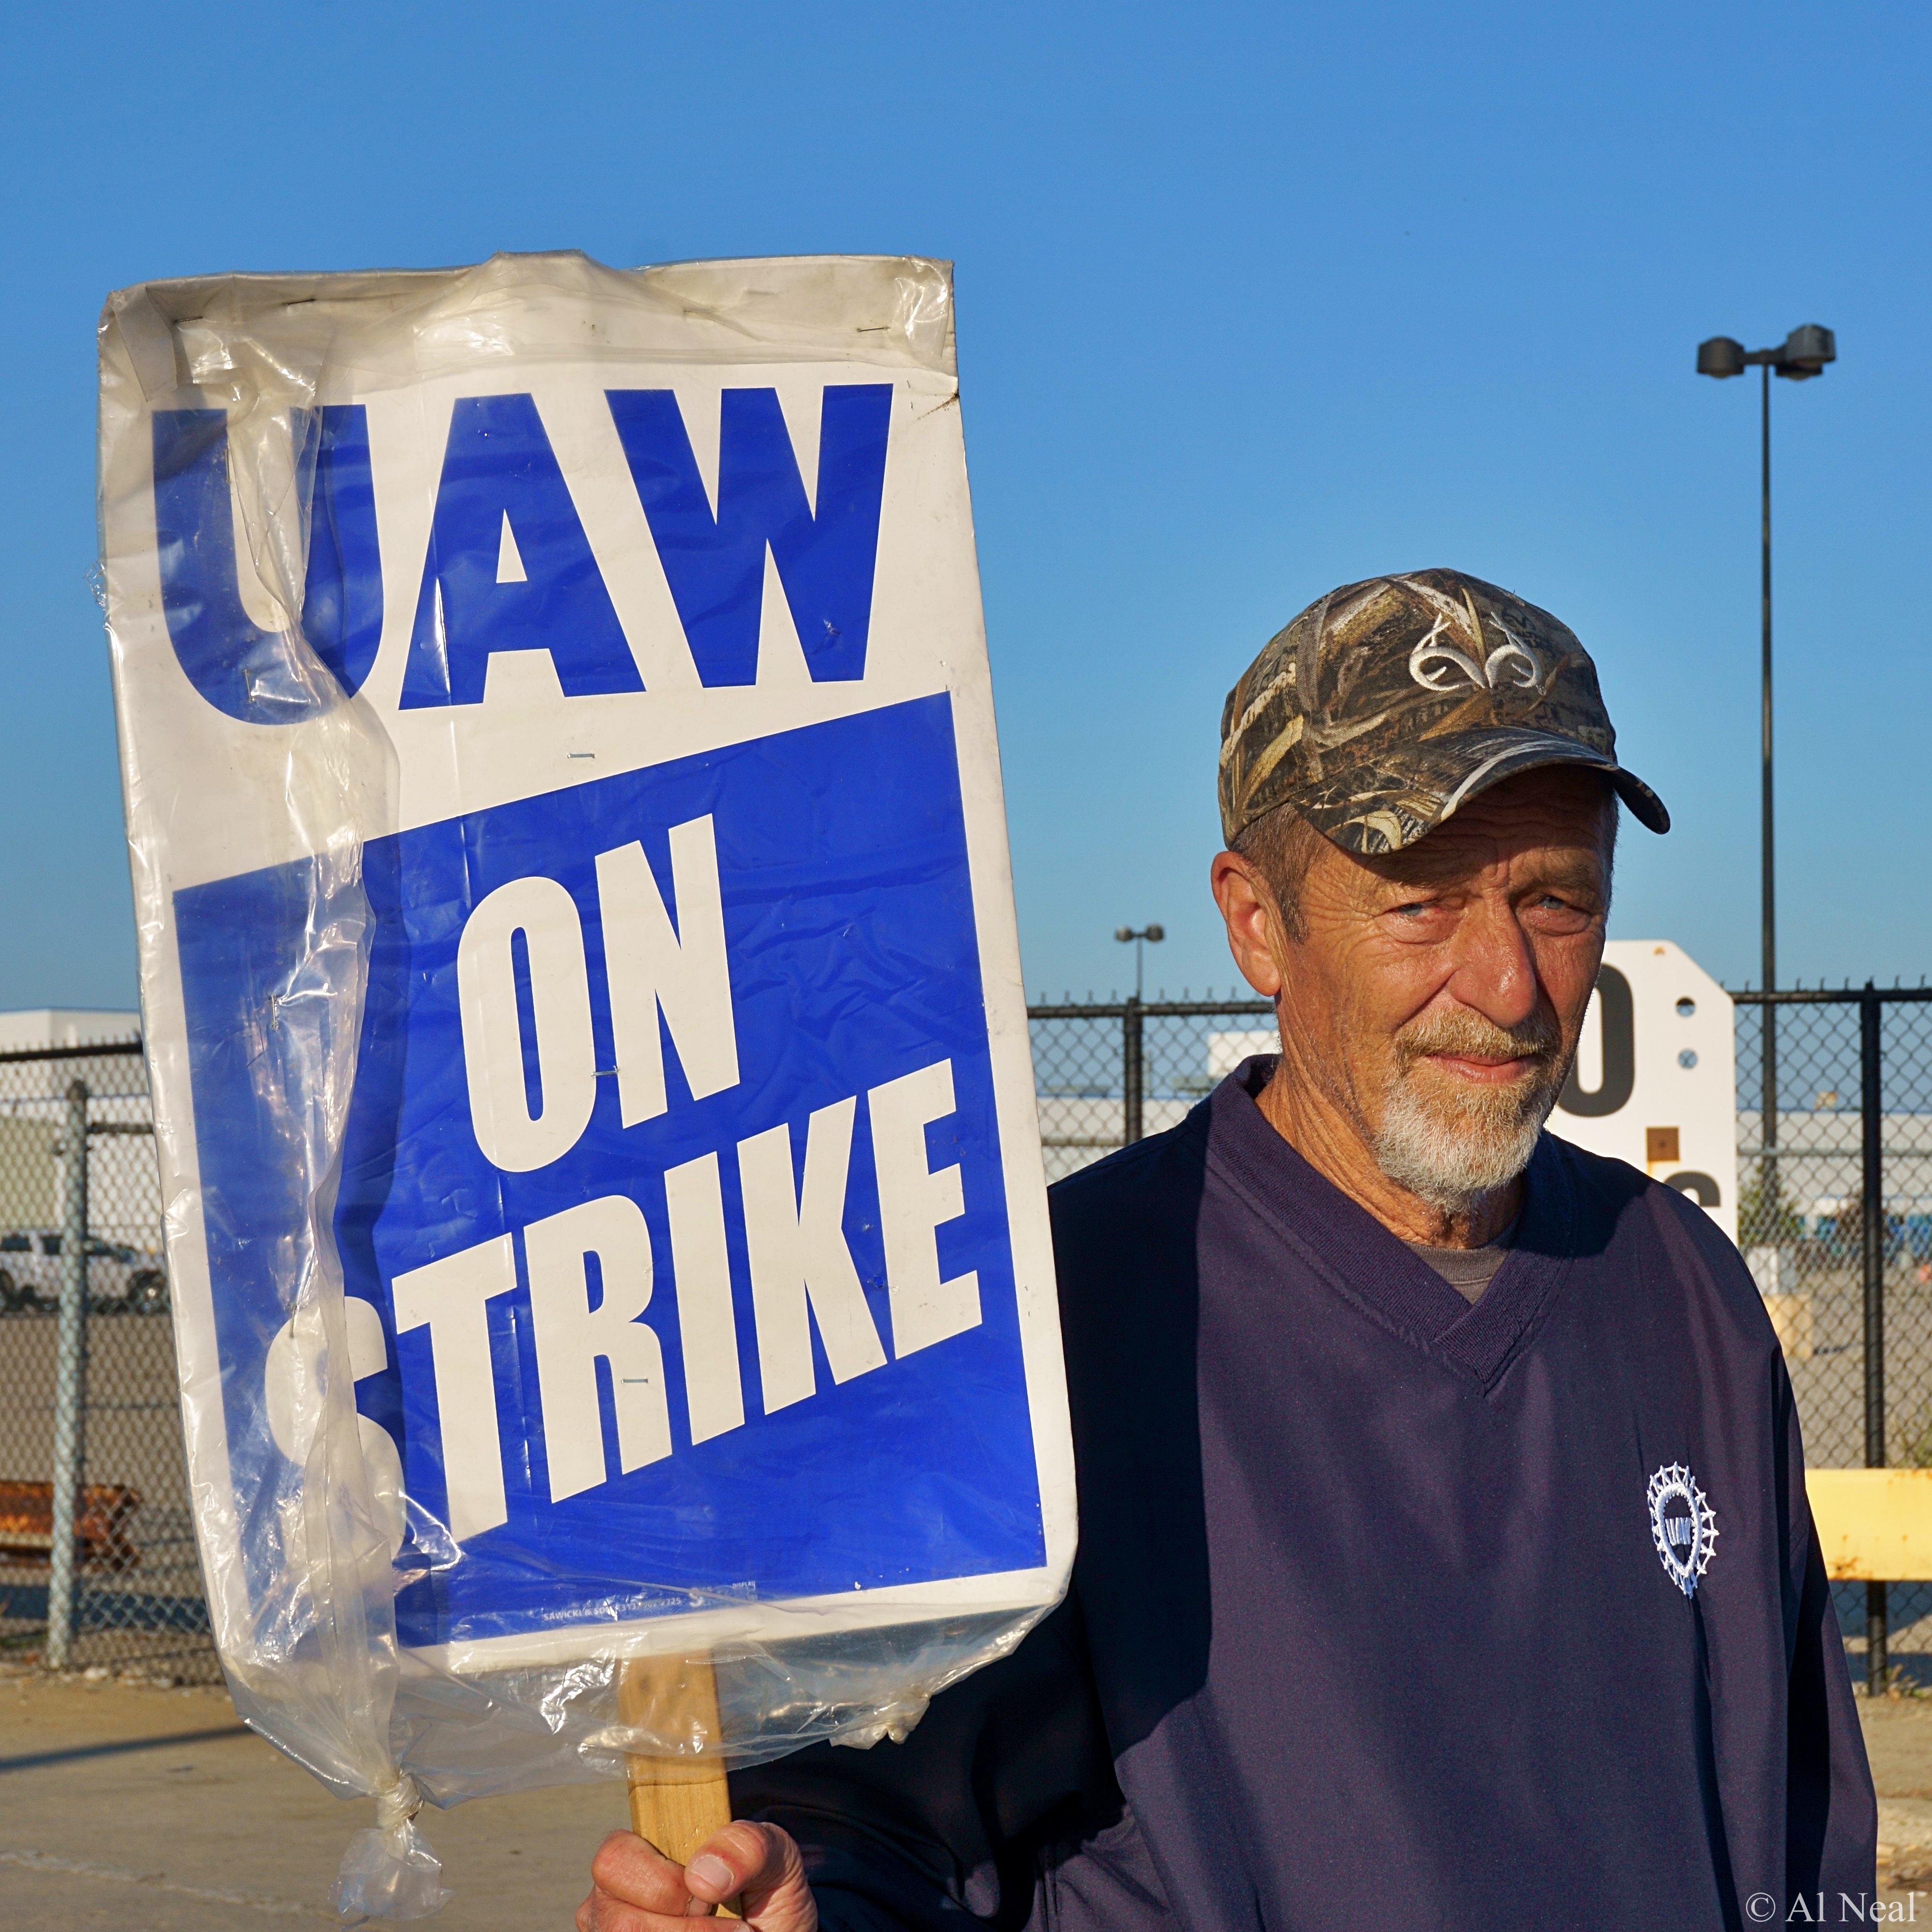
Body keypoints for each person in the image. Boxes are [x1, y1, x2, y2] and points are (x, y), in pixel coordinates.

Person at [580, 569, 1876, 1931]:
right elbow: (870, 1836)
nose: (1507, 984)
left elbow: (1805, 1836)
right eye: (1421, 901)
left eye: (1556, 900)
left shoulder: (1683, 1291)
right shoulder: (1059, 1326)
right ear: (1257, 919)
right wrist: (791, 1906)